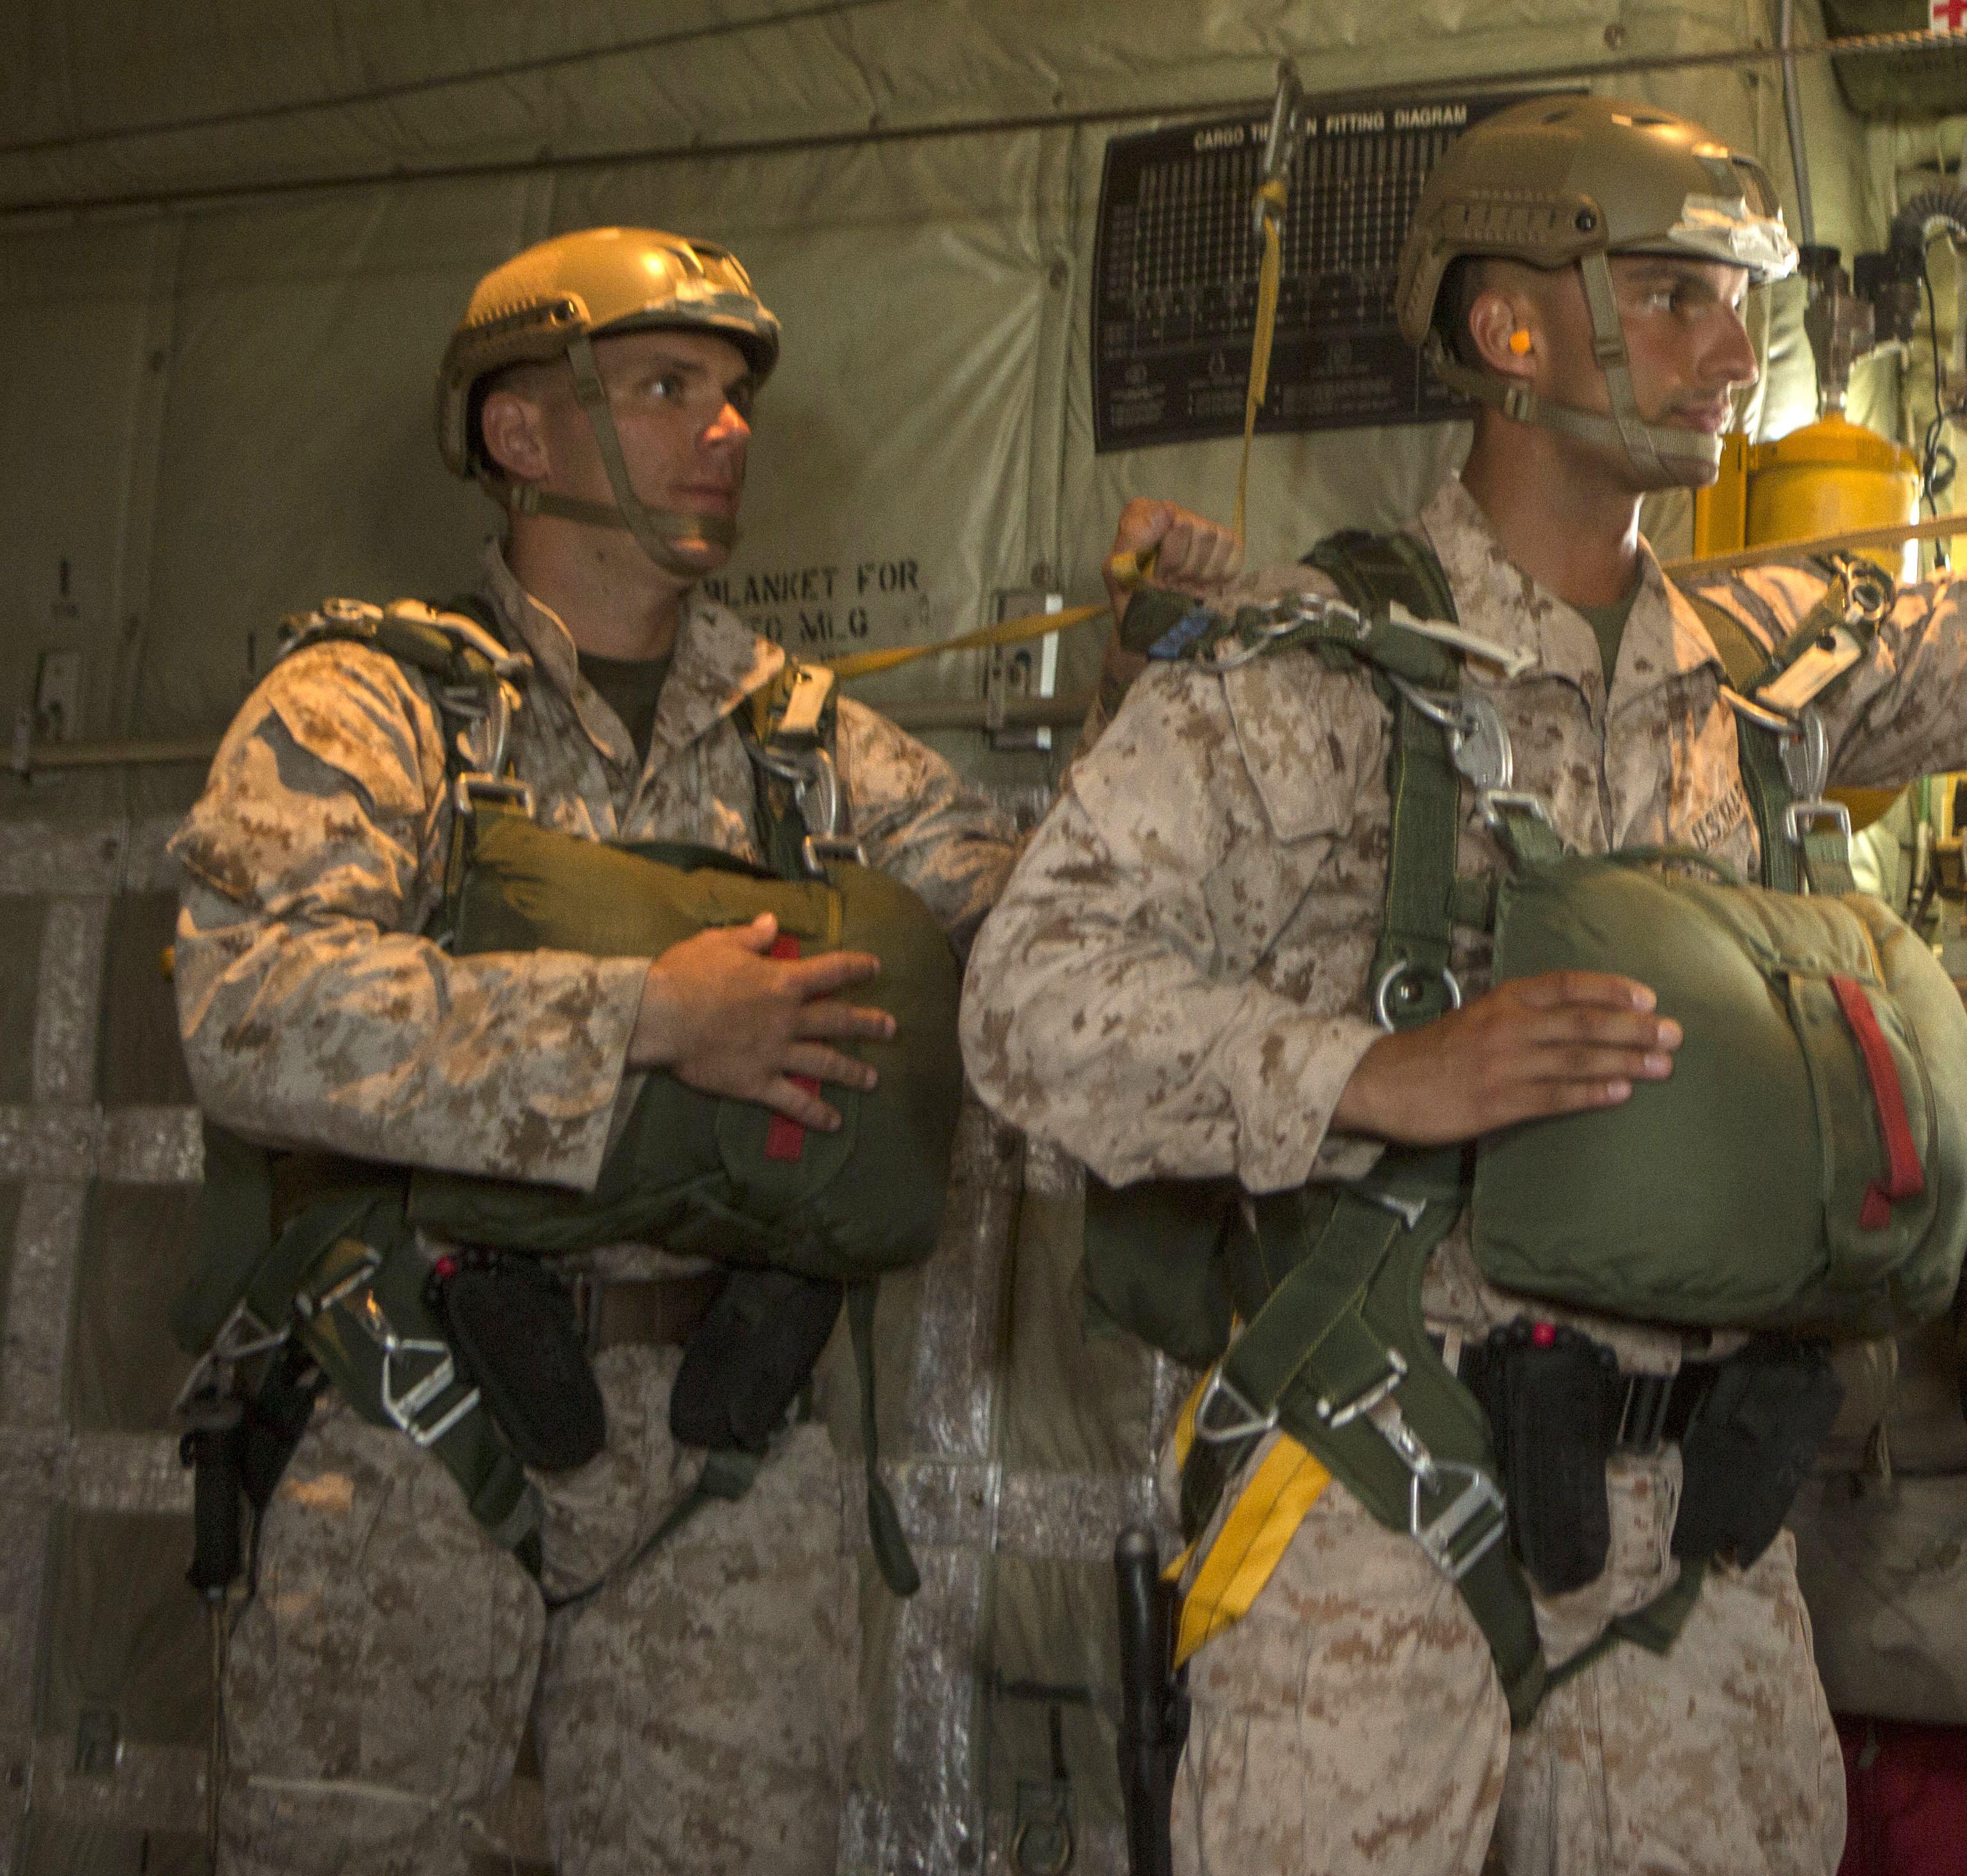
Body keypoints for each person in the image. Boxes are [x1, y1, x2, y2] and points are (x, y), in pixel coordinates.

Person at [964, 95, 1967, 1875]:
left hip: (1701, 1544)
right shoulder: (1313, 675)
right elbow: (1028, 996)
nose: (1735, 354)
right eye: (1673, 296)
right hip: (1379, 1519)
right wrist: (1370, 1072)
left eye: (1740, 302)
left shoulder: (1768, 676)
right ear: (1509, 330)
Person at [170, 225, 1228, 1875]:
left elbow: (1044, 952)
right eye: (669, 387)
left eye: (735, 395)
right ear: (522, 432)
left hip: (728, 1456)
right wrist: (644, 1019)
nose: (728, 428)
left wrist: (1141, 693)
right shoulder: (371, 706)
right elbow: (252, 1012)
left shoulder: (805, 743)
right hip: (411, 1423)